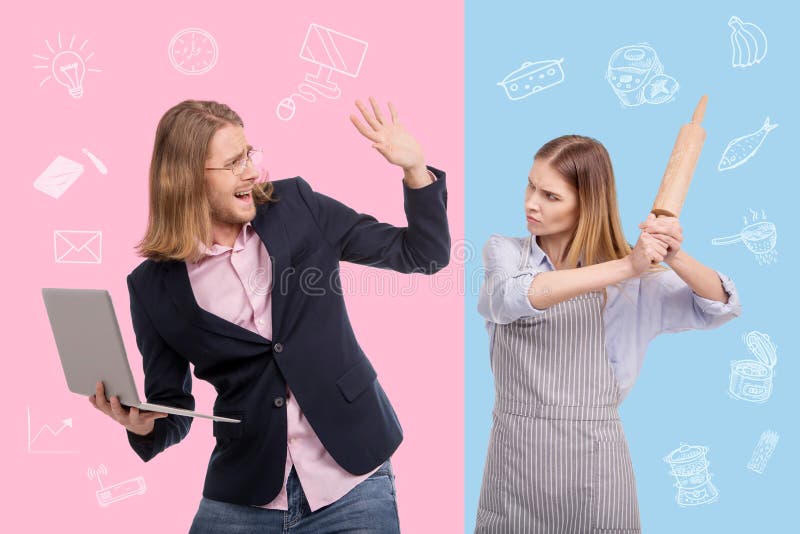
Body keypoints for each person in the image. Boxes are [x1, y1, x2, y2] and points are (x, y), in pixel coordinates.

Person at [88, 98, 450, 533]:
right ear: (184, 178)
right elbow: (174, 408)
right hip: (245, 489)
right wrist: (144, 425)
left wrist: (414, 170)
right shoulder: (151, 287)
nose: (251, 172)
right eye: (233, 163)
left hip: (353, 479)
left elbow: (423, 255)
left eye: (249, 154)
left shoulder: (297, 205)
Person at [474, 135, 741, 533]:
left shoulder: (637, 284)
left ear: (587, 203)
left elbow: (721, 306)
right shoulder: (507, 253)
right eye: (531, 186)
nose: (531, 202)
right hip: (516, 463)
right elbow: (509, 298)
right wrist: (627, 266)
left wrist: (674, 254)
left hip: (596, 468)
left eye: (550, 196)